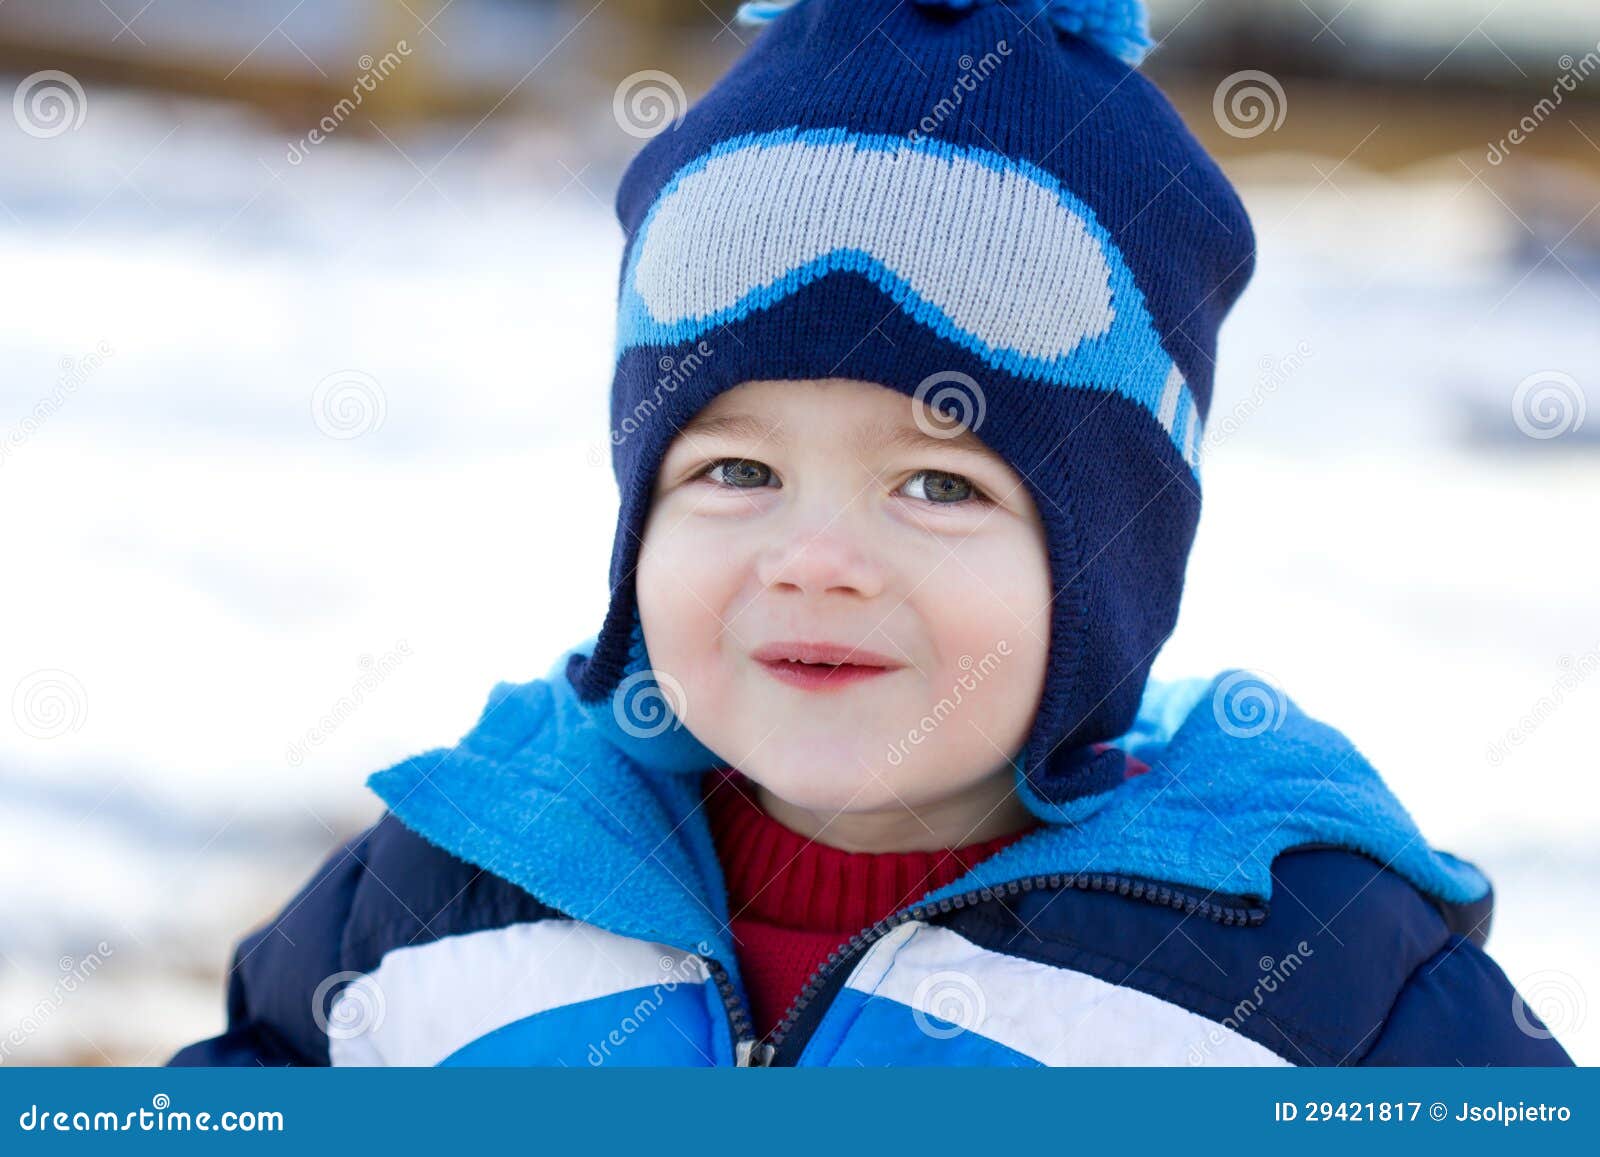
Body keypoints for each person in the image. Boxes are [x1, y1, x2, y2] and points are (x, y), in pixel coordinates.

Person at [169, 0, 1573, 1067]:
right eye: (733, 470)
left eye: (938, 484)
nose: (816, 557)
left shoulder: (1302, 975)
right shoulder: (453, 893)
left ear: (1111, 575)